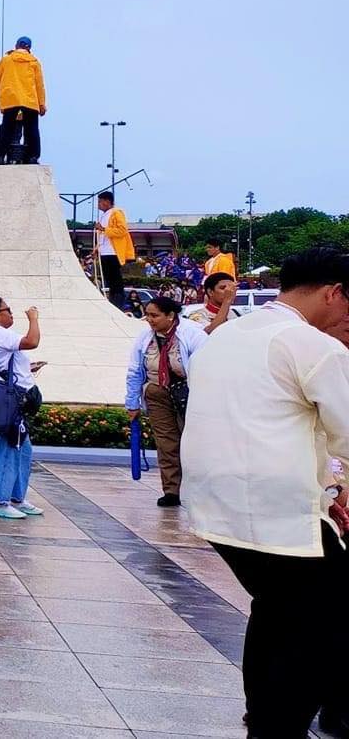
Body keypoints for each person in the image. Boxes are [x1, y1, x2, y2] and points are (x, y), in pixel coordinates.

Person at [181, 247, 349, 735]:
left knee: (277, 610)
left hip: (220, 513)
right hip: (281, 514)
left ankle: (271, 718)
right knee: (323, 621)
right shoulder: (312, 346)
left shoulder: (226, 336)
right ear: (333, 292)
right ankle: (287, 722)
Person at [125, 296, 207, 509]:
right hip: (157, 392)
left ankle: (197, 490)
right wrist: (132, 403)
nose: (149, 320)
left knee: (191, 441)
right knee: (166, 442)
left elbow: (205, 366)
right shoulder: (145, 338)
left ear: (170, 316)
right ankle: (171, 490)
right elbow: (135, 370)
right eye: (148, 315)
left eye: (155, 315)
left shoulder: (192, 334)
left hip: (187, 392)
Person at [0, 297, 43, 519]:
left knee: (23, 449)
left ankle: (16, 498)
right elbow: (32, 341)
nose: (11, 314)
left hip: (12, 399)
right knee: (7, 449)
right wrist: (33, 318)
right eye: (7, 310)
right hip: (10, 402)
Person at [0, 35, 46, 165]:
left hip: (11, 99)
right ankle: (32, 157)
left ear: (16, 46)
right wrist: (42, 104)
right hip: (30, 101)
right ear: (29, 48)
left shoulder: (6, 60)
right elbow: (39, 85)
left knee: (6, 129)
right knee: (31, 130)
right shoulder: (34, 63)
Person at [94, 192, 135, 311]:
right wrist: (97, 249)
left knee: (115, 280)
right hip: (104, 251)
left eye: (100, 202)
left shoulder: (116, 212)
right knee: (109, 280)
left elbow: (122, 230)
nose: (98, 205)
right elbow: (103, 236)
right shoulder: (103, 215)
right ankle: (112, 303)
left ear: (107, 201)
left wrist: (103, 228)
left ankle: (118, 304)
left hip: (113, 252)